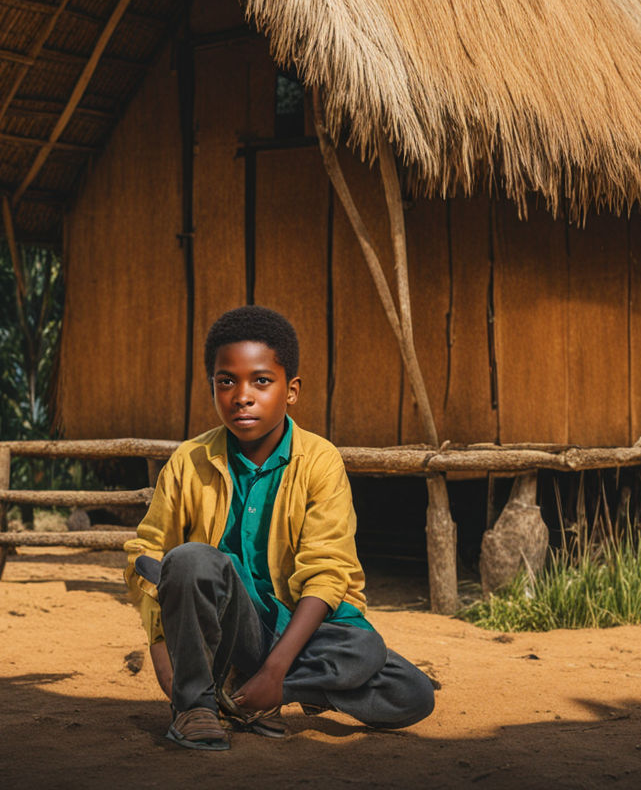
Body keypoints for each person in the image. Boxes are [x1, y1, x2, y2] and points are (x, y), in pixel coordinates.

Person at [124, 305, 435, 750]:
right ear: (212, 386)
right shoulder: (188, 462)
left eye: (261, 381)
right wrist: (159, 649)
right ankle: (195, 707)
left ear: (291, 391)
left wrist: (276, 674)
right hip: (226, 630)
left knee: (403, 684)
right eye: (226, 381)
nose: (241, 396)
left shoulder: (320, 461)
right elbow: (147, 554)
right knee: (190, 559)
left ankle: (250, 695)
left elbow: (328, 572)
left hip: (293, 631)